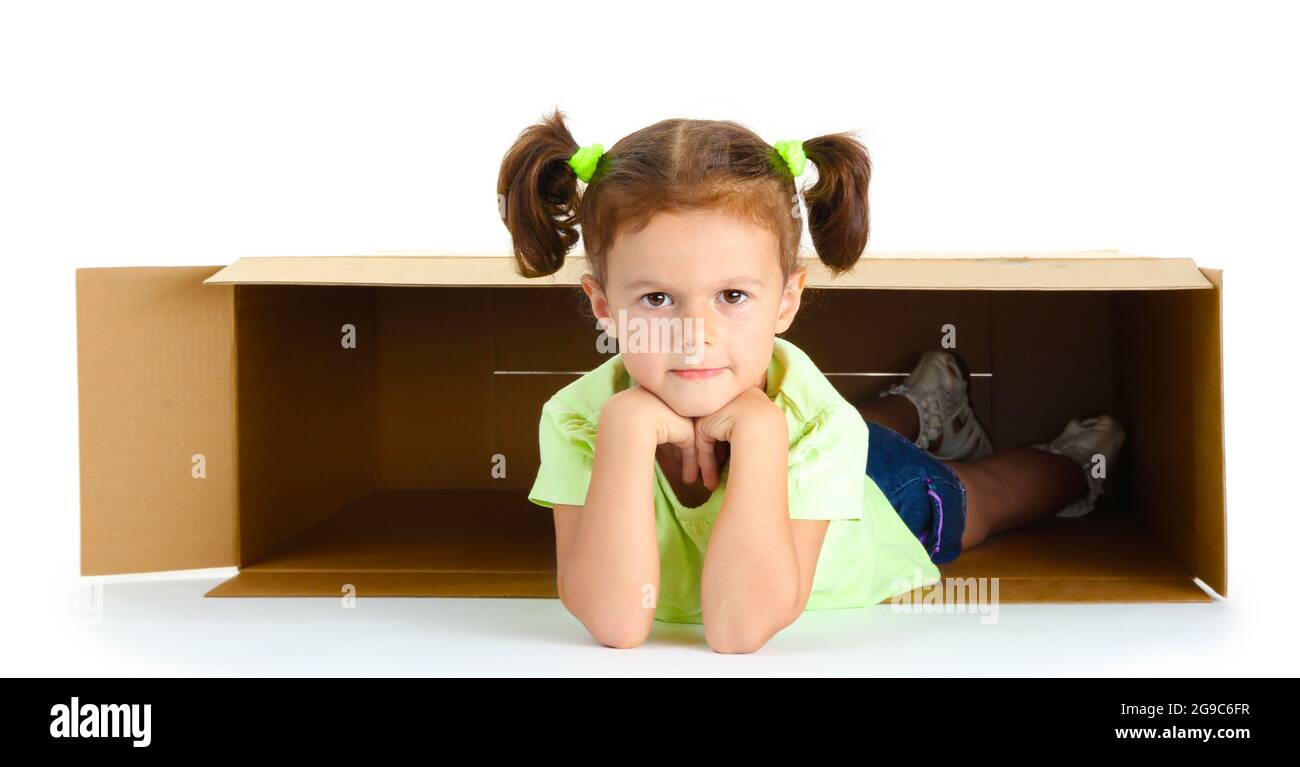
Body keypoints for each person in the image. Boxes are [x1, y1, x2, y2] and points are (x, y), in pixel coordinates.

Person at [497, 109, 1125, 653]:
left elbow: (740, 630)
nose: (696, 335)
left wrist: (765, 433)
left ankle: (1070, 464)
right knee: (849, 428)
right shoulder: (579, 419)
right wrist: (628, 430)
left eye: (733, 295)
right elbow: (615, 621)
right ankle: (924, 403)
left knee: (978, 499)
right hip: (827, 437)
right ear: (605, 307)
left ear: (786, 300)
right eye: (657, 298)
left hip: (877, 499)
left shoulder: (817, 427)